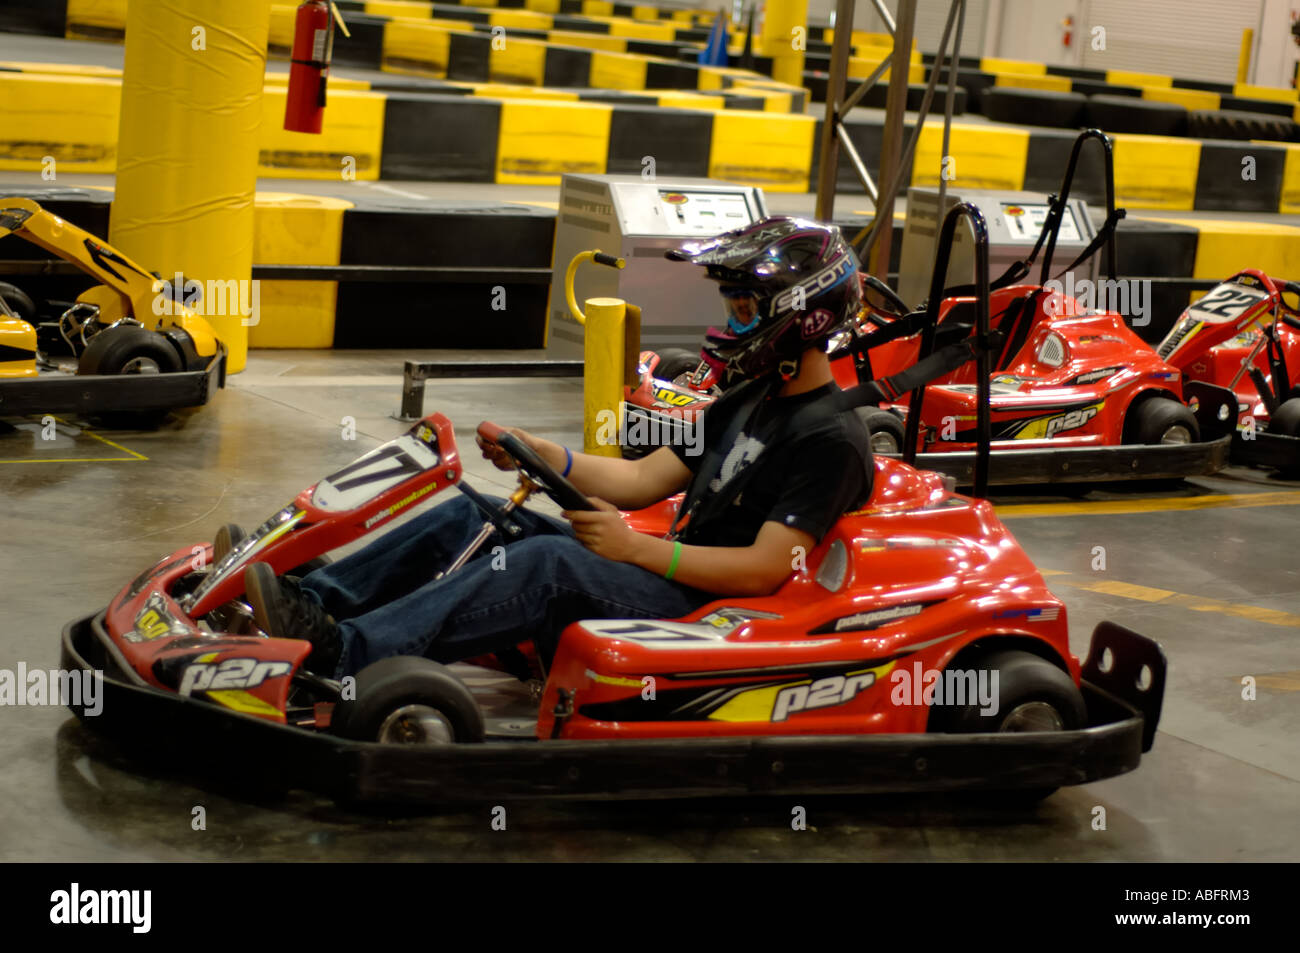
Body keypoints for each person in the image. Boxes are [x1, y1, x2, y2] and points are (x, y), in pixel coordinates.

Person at [245, 217, 875, 680]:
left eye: (746, 308)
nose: (733, 323)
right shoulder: (750, 396)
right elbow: (642, 479)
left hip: (711, 606)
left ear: (801, 315)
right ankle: (316, 606)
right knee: (478, 514)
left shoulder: (830, 437)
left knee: (546, 561)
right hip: (667, 568)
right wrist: (544, 453)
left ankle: (347, 655)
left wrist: (636, 548)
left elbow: (768, 568)